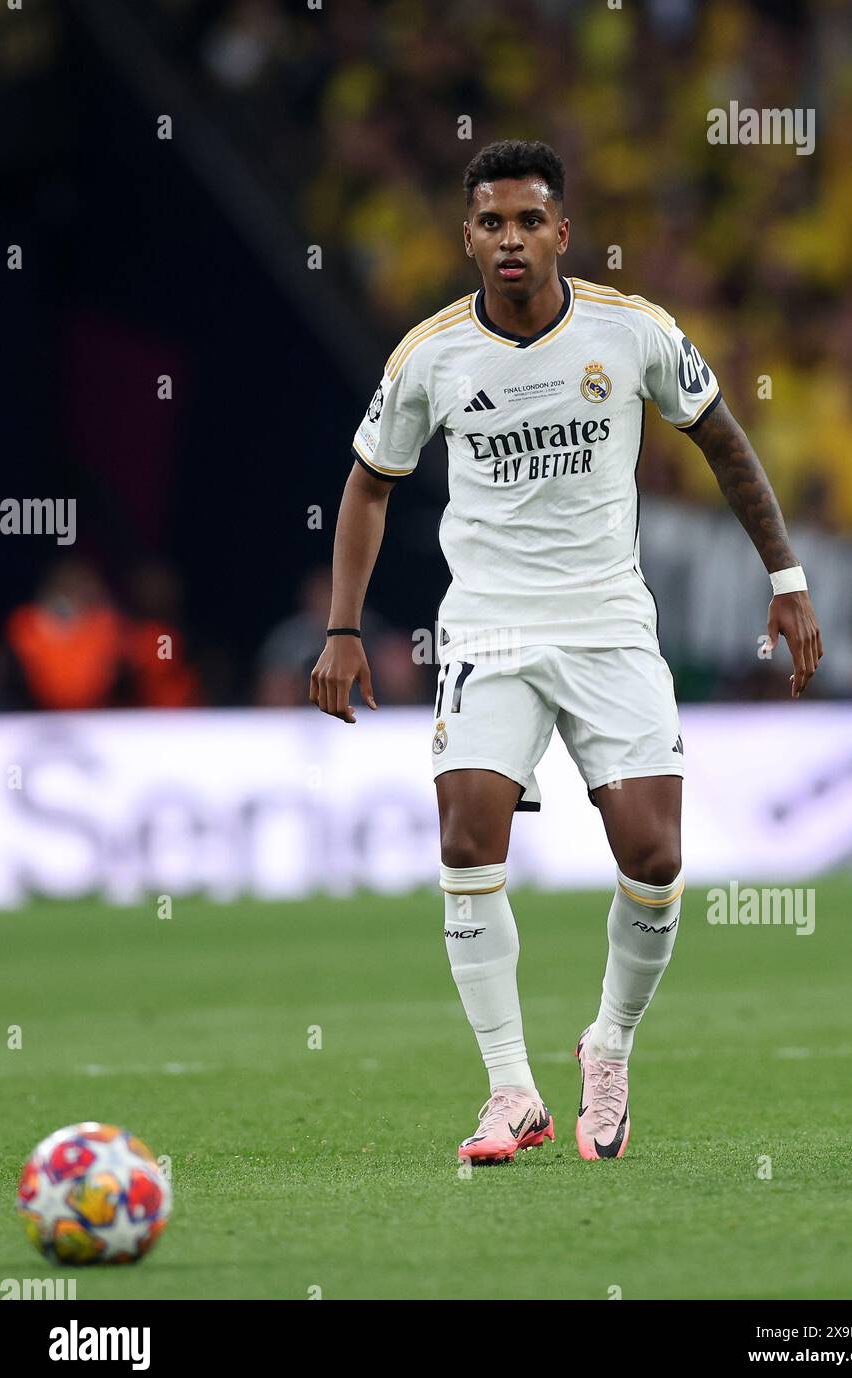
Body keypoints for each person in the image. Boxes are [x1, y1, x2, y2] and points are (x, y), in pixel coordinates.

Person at [310, 139, 822, 1163]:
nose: (510, 239)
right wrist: (342, 625)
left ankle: (610, 1046)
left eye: (528, 220)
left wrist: (787, 578)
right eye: (491, 223)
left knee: (654, 854)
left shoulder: (632, 334)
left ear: (562, 232)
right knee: (465, 838)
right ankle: (509, 1088)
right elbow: (370, 482)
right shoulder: (430, 356)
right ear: (468, 238)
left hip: (606, 622)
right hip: (488, 624)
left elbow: (722, 439)